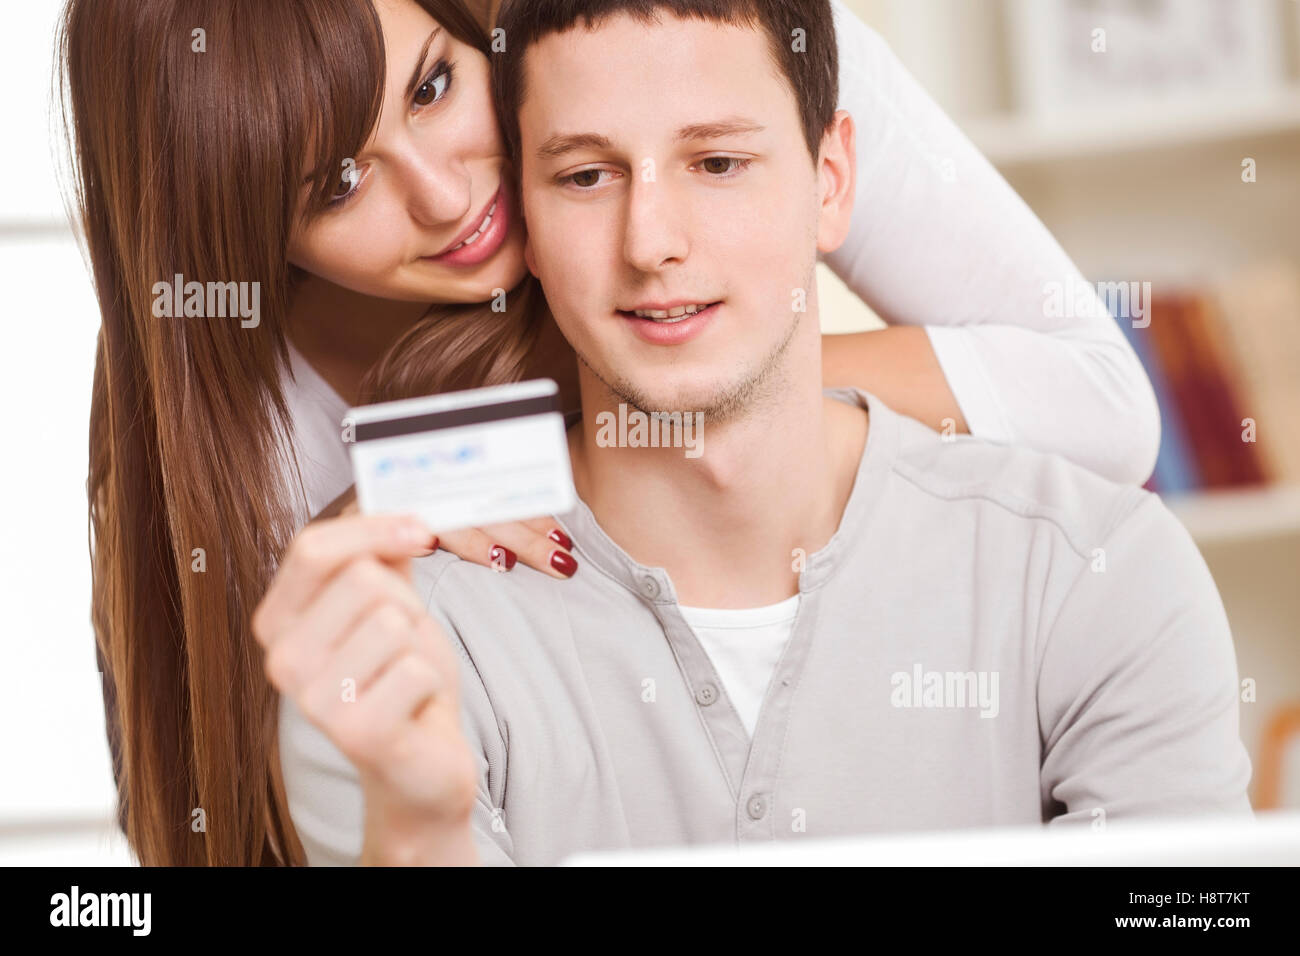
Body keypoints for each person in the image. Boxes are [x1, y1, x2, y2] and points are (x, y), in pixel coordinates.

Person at [61, 0, 1157, 866]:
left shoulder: (725, 41)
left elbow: (1100, 405)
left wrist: (548, 434)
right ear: (251, 229)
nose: (443, 195)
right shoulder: (218, 416)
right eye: (337, 183)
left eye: (436, 86)